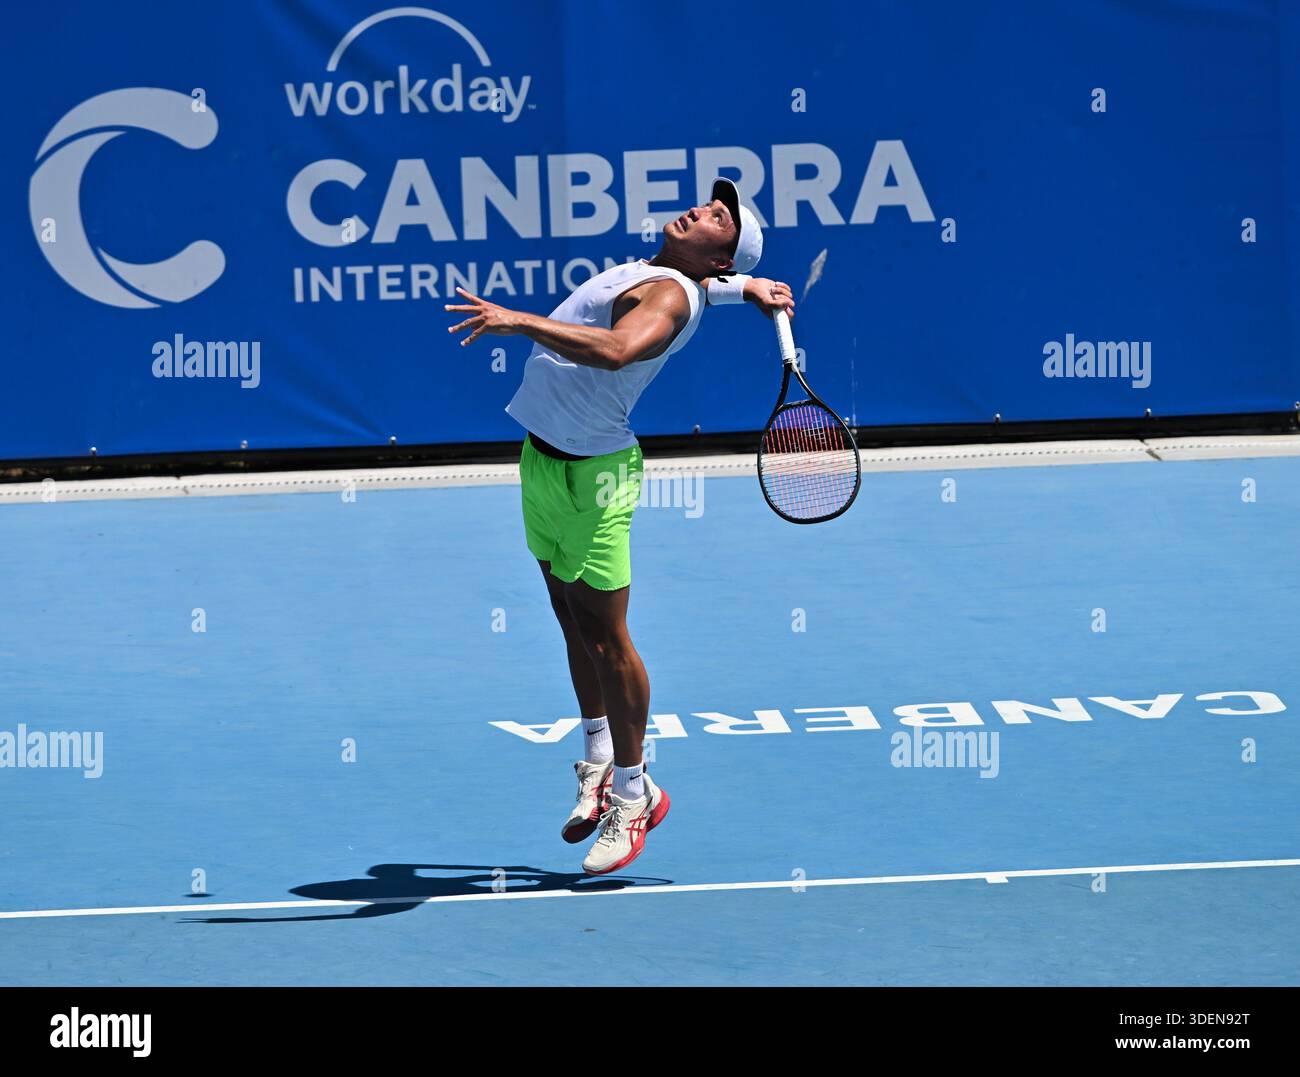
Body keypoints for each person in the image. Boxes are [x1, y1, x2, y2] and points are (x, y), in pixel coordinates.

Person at [446, 177, 794, 874]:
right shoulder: (668, 275)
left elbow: (616, 349)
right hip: (543, 459)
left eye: (717, 217)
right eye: (709, 203)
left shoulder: (668, 293)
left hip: (595, 477)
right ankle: (601, 753)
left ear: (719, 254)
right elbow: (693, 287)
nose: (701, 208)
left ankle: (634, 795)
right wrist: (744, 290)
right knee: (569, 615)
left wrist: (517, 320)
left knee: (606, 636)